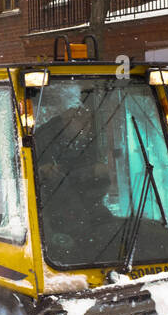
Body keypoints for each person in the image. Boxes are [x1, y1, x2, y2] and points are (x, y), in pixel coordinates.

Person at [33, 106, 118, 263]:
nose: (88, 126)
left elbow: (86, 179)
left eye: (89, 122)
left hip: (81, 206)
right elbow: (52, 176)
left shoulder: (85, 142)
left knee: (113, 232)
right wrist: (90, 172)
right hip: (53, 210)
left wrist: (99, 173)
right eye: (82, 121)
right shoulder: (44, 139)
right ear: (67, 120)